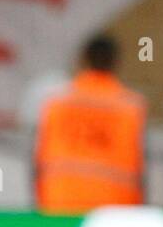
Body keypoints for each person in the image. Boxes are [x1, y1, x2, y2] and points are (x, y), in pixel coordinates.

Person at [34, 35, 145, 214]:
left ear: (83, 60)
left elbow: (39, 160)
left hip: (59, 202)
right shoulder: (130, 107)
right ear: (115, 62)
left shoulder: (57, 103)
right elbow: (140, 167)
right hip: (113, 207)